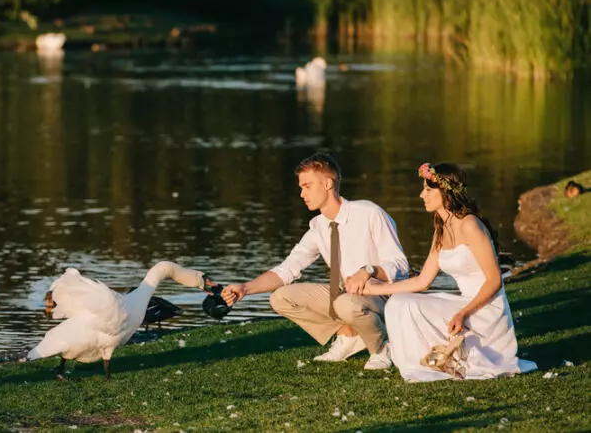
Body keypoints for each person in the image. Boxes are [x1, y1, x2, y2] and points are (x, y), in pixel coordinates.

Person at [221, 153, 409, 370]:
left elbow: (400, 265)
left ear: (328, 184)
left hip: (383, 295)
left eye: (307, 186)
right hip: (345, 294)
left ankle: (380, 348)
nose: (302, 194)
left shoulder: (369, 212)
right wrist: (244, 289)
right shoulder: (318, 226)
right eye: (301, 187)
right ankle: (347, 335)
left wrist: (368, 270)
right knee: (280, 298)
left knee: (345, 303)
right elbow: (288, 269)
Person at [363, 162, 537, 382]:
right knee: (398, 303)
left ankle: (453, 358)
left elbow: (494, 281)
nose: (421, 195)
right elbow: (423, 281)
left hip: (486, 308)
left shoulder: (470, 225)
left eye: (427, 189)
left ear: (445, 191)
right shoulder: (441, 229)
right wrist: (376, 288)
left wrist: (463, 313)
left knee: (405, 304)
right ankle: (419, 363)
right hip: (464, 301)